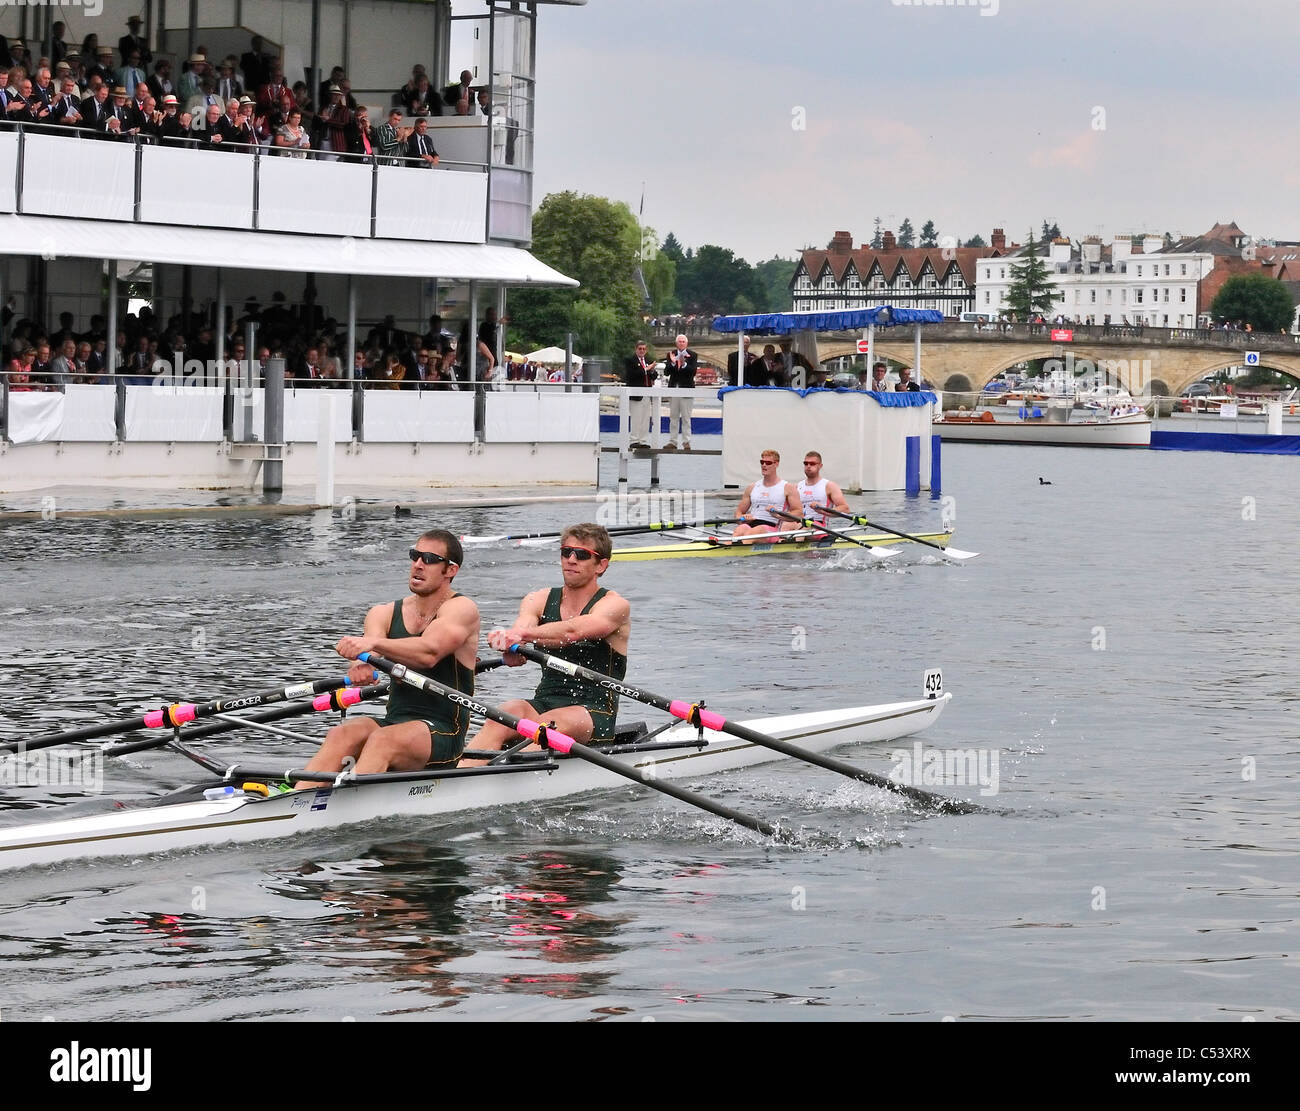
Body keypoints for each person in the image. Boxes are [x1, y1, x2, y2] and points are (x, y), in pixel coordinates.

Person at [297, 530, 481, 784]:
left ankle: (345, 806)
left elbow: (429, 653)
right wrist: (360, 664)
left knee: (383, 740)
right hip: (395, 721)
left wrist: (372, 644)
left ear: (450, 570)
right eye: (415, 555)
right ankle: (298, 798)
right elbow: (368, 653)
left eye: (429, 559)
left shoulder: (461, 609)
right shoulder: (383, 612)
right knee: (343, 734)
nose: (418, 564)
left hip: (445, 731)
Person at [462, 524, 629, 761]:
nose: (571, 559)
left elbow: (573, 631)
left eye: (581, 555)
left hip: (593, 711)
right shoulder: (537, 599)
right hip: (545, 702)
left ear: (601, 565)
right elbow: (523, 628)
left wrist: (522, 637)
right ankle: (461, 770)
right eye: (566, 552)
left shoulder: (614, 606)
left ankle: (492, 774)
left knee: (547, 725)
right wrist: (506, 642)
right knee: (505, 712)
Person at [732, 449, 803, 537]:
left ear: (776, 464)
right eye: (762, 462)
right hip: (752, 525)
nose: (764, 465)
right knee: (739, 530)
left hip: (772, 527)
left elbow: (799, 513)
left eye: (768, 463)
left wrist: (778, 515)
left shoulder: (788, 488)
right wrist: (742, 519)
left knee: (757, 531)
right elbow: (738, 512)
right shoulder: (752, 487)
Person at [796, 451, 851, 528]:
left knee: (805, 526)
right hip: (800, 523)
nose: (808, 466)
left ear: (820, 466)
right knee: (785, 525)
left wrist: (823, 510)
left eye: (812, 464)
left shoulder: (829, 486)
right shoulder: (798, 486)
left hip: (820, 527)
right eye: (806, 463)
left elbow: (845, 509)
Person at [663, 333, 697, 450]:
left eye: (683, 341)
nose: (681, 343)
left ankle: (686, 442)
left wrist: (684, 364)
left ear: (686, 343)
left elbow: (693, 372)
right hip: (674, 388)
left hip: (686, 388)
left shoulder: (692, 355)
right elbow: (667, 372)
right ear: (676, 343)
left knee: (686, 418)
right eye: (679, 341)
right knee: (673, 417)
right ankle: (673, 442)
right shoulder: (671, 354)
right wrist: (673, 362)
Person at [624, 340, 657, 447]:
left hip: (647, 392)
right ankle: (634, 440)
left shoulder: (648, 360)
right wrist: (646, 369)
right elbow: (632, 374)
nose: (642, 351)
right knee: (636, 417)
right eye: (640, 349)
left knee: (645, 418)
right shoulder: (630, 360)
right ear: (636, 349)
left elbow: (654, 375)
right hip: (636, 394)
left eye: (644, 349)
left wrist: (651, 371)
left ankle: (643, 440)